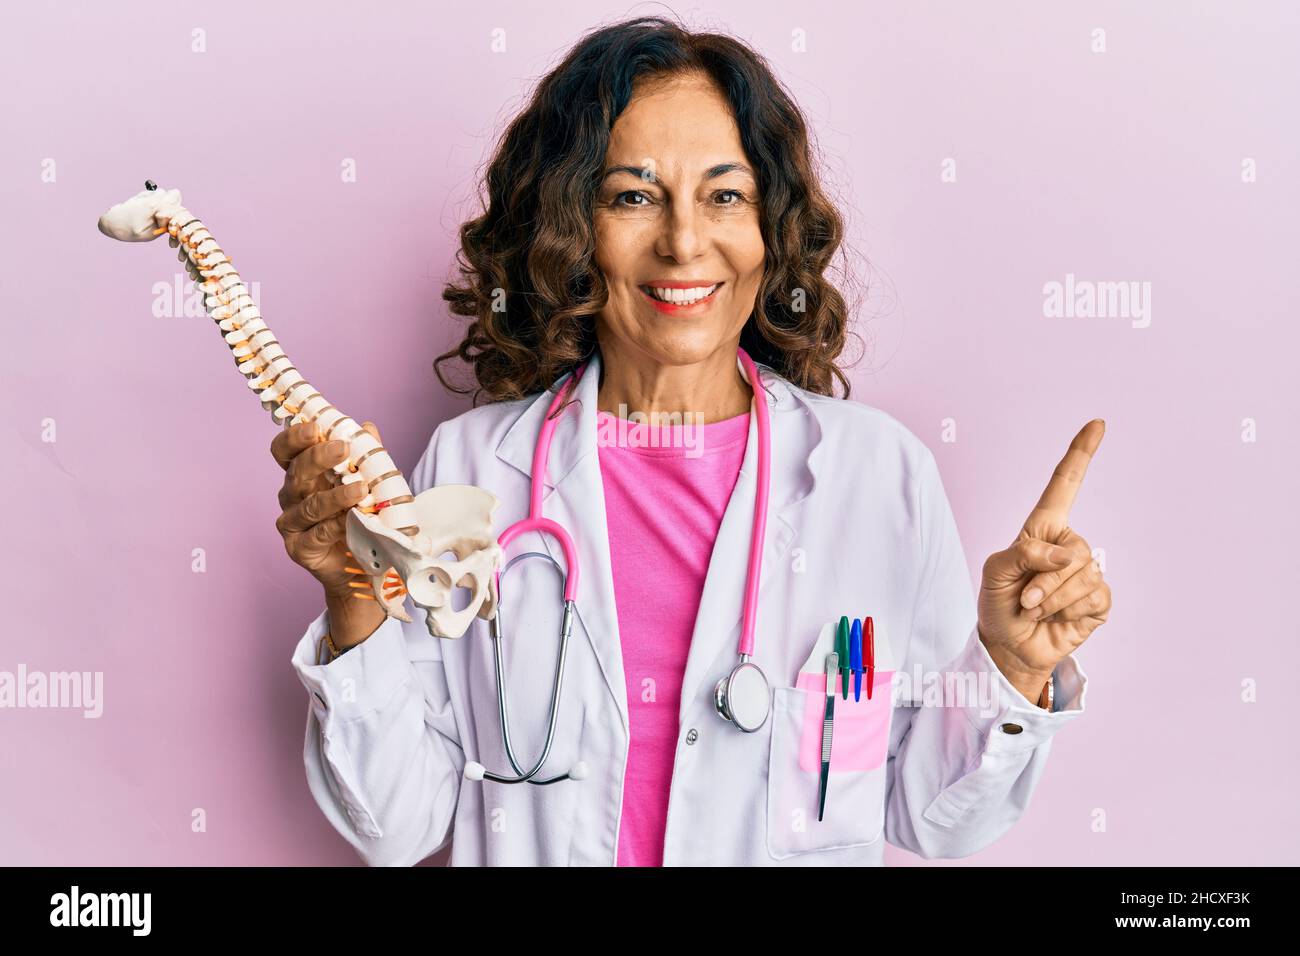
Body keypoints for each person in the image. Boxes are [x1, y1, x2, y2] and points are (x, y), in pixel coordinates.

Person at [271, 16, 1110, 867]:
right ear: (570, 228)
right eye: (632, 195)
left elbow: (934, 819)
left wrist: (1007, 663)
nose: (682, 241)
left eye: (725, 195)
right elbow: (399, 824)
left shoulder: (877, 475)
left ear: (769, 231)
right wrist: (355, 603)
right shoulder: (472, 469)